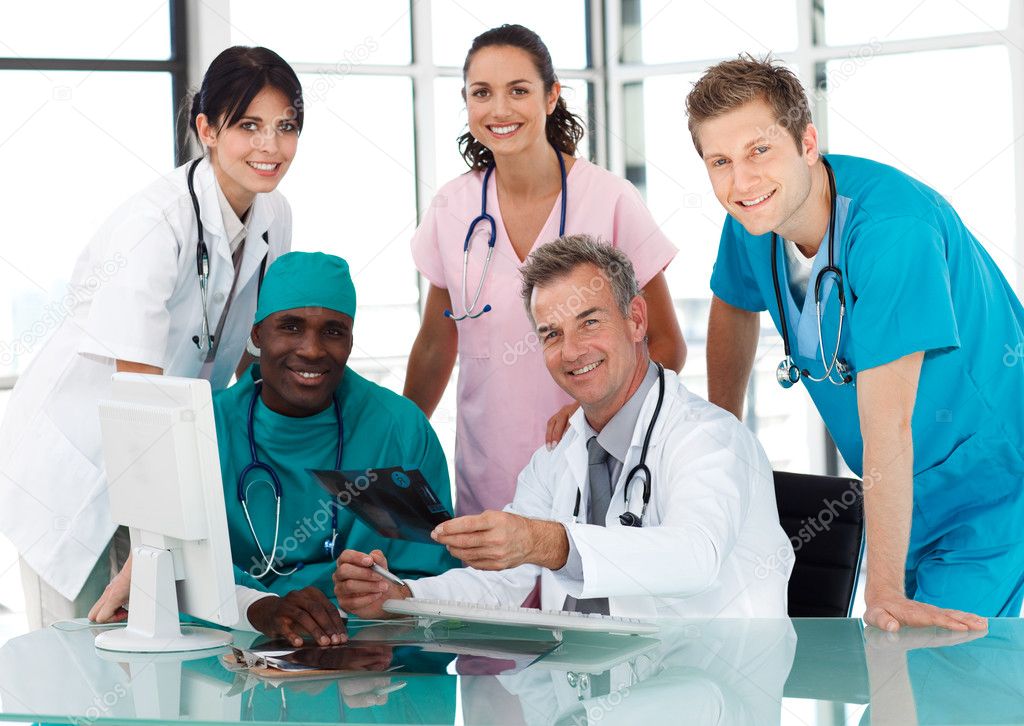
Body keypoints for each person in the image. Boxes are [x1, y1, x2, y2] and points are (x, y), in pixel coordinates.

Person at [687, 55, 1024, 630]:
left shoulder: (892, 230)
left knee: (932, 679)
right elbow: (734, 303)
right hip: (899, 493)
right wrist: (724, 434)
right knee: (903, 688)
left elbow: (887, 422)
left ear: (808, 142)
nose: (740, 181)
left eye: (759, 151)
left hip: (990, 488)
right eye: (720, 161)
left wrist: (885, 590)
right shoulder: (754, 220)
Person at [0, 46, 303, 629]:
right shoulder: (153, 226)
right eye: (248, 125)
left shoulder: (275, 214)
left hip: (163, 458)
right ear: (207, 129)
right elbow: (139, 401)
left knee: (158, 657)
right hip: (78, 468)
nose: (270, 146)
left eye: (285, 127)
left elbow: (249, 358)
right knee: (76, 660)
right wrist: (151, 545)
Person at [336, 236, 791, 619]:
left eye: (589, 321)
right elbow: (502, 584)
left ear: (636, 320)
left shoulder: (710, 438)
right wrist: (403, 597)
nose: (571, 351)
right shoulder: (557, 455)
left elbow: (696, 558)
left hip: (714, 697)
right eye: (551, 333)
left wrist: (549, 542)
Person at [91, 252, 459, 645]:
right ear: (256, 335)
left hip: (371, 650)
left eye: (333, 331)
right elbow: (174, 567)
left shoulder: (399, 428)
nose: (312, 350)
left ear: (351, 340)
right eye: (291, 327)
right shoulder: (201, 426)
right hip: (228, 644)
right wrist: (261, 605)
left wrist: (375, 595)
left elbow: (430, 577)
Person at [404, 24, 686, 517]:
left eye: (519, 90)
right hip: (485, 470)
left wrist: (592, 410)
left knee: (579, 586)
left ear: (551, 96)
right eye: (482, 93)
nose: (500, 109)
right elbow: (435, 342)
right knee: (483, 591)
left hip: (591, 457)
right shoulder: (453, 206)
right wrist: (399, 443)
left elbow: (665, 343)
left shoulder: (610, 199)